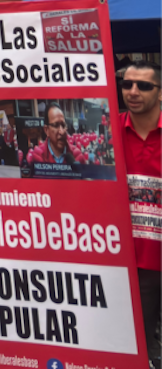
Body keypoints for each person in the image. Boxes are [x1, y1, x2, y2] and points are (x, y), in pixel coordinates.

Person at [120, 61, 161, 368]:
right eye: (127, 84)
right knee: (144, 347)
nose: (133, 91)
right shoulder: (108, 134)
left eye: (144, 85)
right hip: (131, 261)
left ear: (159, 93)